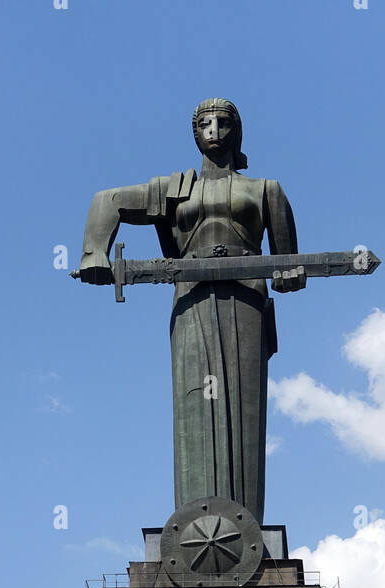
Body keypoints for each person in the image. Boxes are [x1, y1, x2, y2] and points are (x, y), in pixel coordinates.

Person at [76, 98, 305, 524]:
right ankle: (193, 522)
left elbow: (288, 263)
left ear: (237, 131)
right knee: (195, 402)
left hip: (245, 301)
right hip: (192, 297)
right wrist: (94, 253)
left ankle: (243, 523)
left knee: (242, 405)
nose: (214, 129)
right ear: (194, 132)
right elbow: (106, 200)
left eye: (223, 122)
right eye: (204, 123)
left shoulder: (264, 190)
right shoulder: (174, 188)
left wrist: (289, 274)